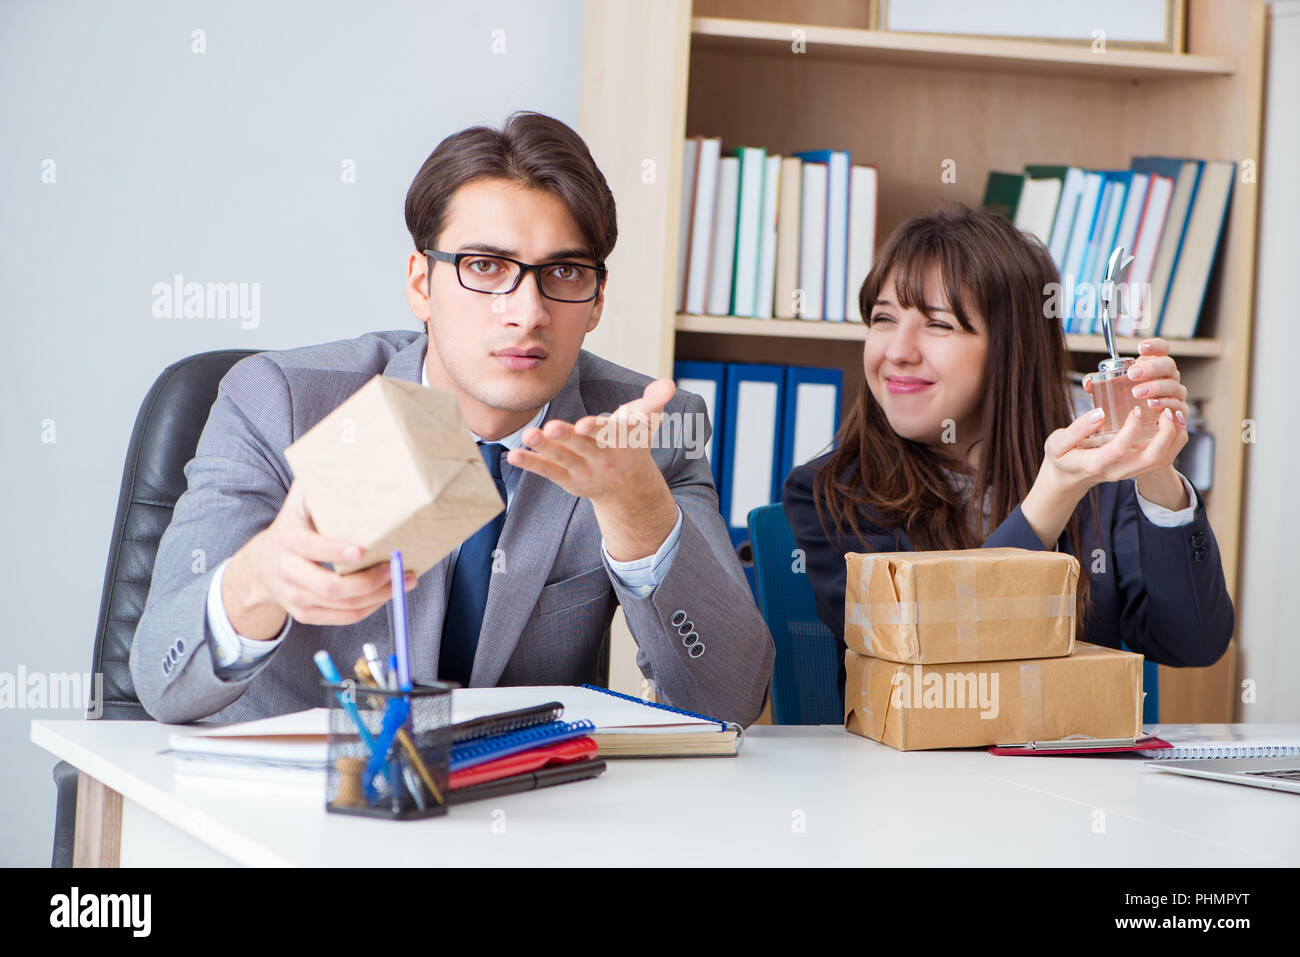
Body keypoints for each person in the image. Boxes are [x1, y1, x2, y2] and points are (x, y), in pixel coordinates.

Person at [131, 112, 774, 726]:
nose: (527, 312)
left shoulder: (640, 433)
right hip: (298, 813)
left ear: (597, 300)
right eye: (485, 267)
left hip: (517, 815)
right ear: (421, 285)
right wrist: (257, 580)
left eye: (564, 272)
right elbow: (160, 681)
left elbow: (727, 701)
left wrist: (637, 511)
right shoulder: (283, 405)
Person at [783, 204, 1233, 701]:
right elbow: (927, 654)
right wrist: (1051, 498)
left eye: (939, 325)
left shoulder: (1099, 477)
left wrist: (1156, 473)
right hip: (914, 774)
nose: (897, 351)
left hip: (1072, 767)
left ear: (1011, 350)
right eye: (883, 318)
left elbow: (1193, 643)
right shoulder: (832, 491)